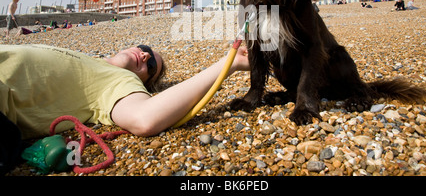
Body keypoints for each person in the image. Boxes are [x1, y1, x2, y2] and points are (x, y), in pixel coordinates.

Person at [0, 44, 249, 172]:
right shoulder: (92, 61)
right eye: (146, 48)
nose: (144, 54)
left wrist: (230, 63)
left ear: (143, 83)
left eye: (151, 65)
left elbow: (145, 117)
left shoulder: (119, 81)